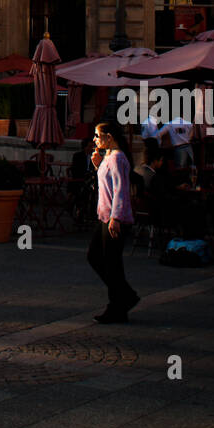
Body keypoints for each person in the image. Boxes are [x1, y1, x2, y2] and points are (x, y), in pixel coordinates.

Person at [87, 122, 139, 324]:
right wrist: (98, 165)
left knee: (110, 263)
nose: (94, 139)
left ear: (109, 137)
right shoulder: (109, 156)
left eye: (97, 135)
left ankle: (118, 304)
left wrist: (116, 218)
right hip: (105, 217)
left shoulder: (118, 158)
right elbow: (107, 184)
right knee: (98, 258)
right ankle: (124, 297)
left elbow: (120, 190)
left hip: (114, 219)